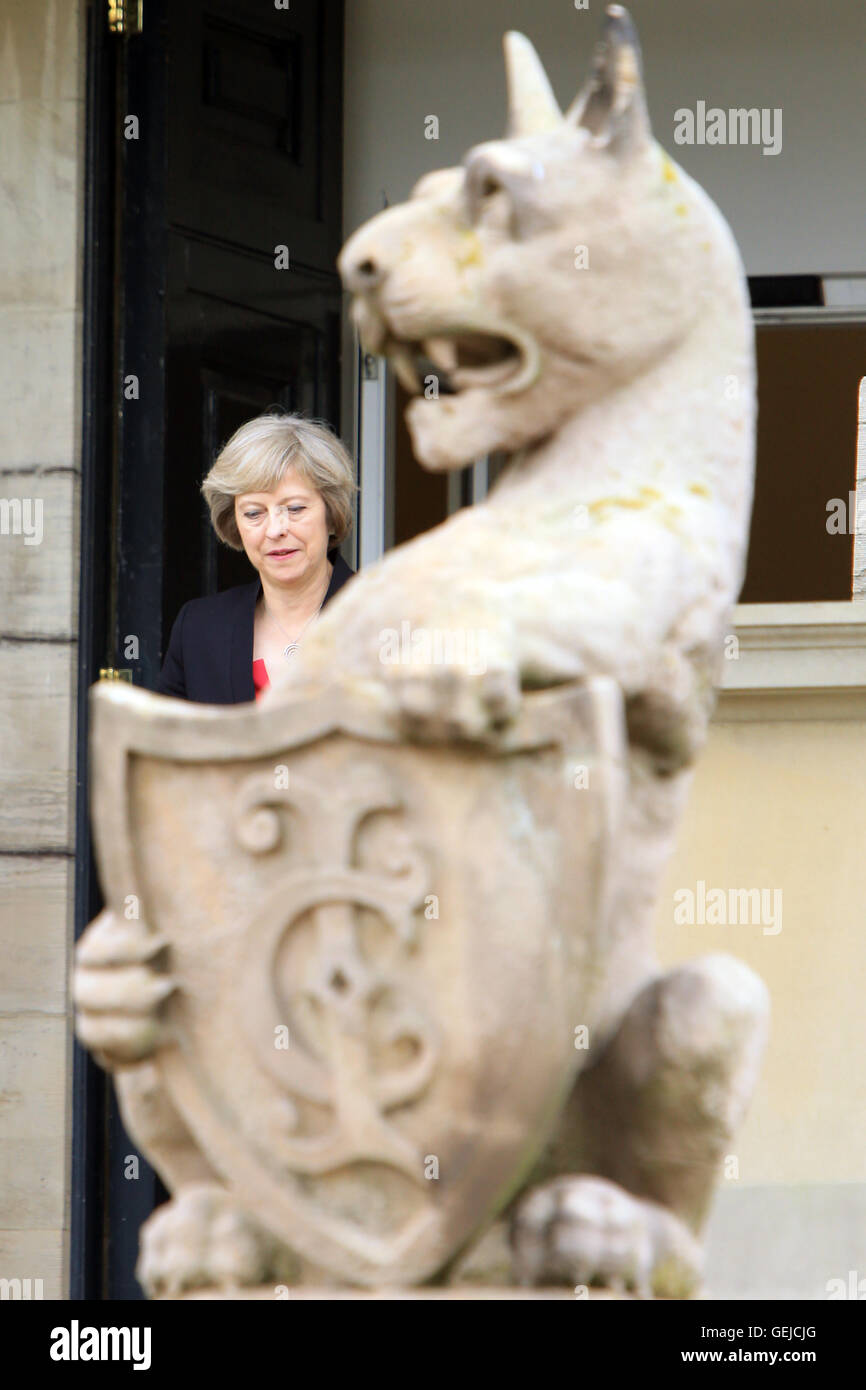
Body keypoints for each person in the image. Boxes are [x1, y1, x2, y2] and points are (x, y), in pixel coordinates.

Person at [157, 411, 357, 704]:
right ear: (234, 523)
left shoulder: (391, 619)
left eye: (295, 509)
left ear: (331, 512)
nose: (275, 530)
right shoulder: (199, 630)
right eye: (254, 513)